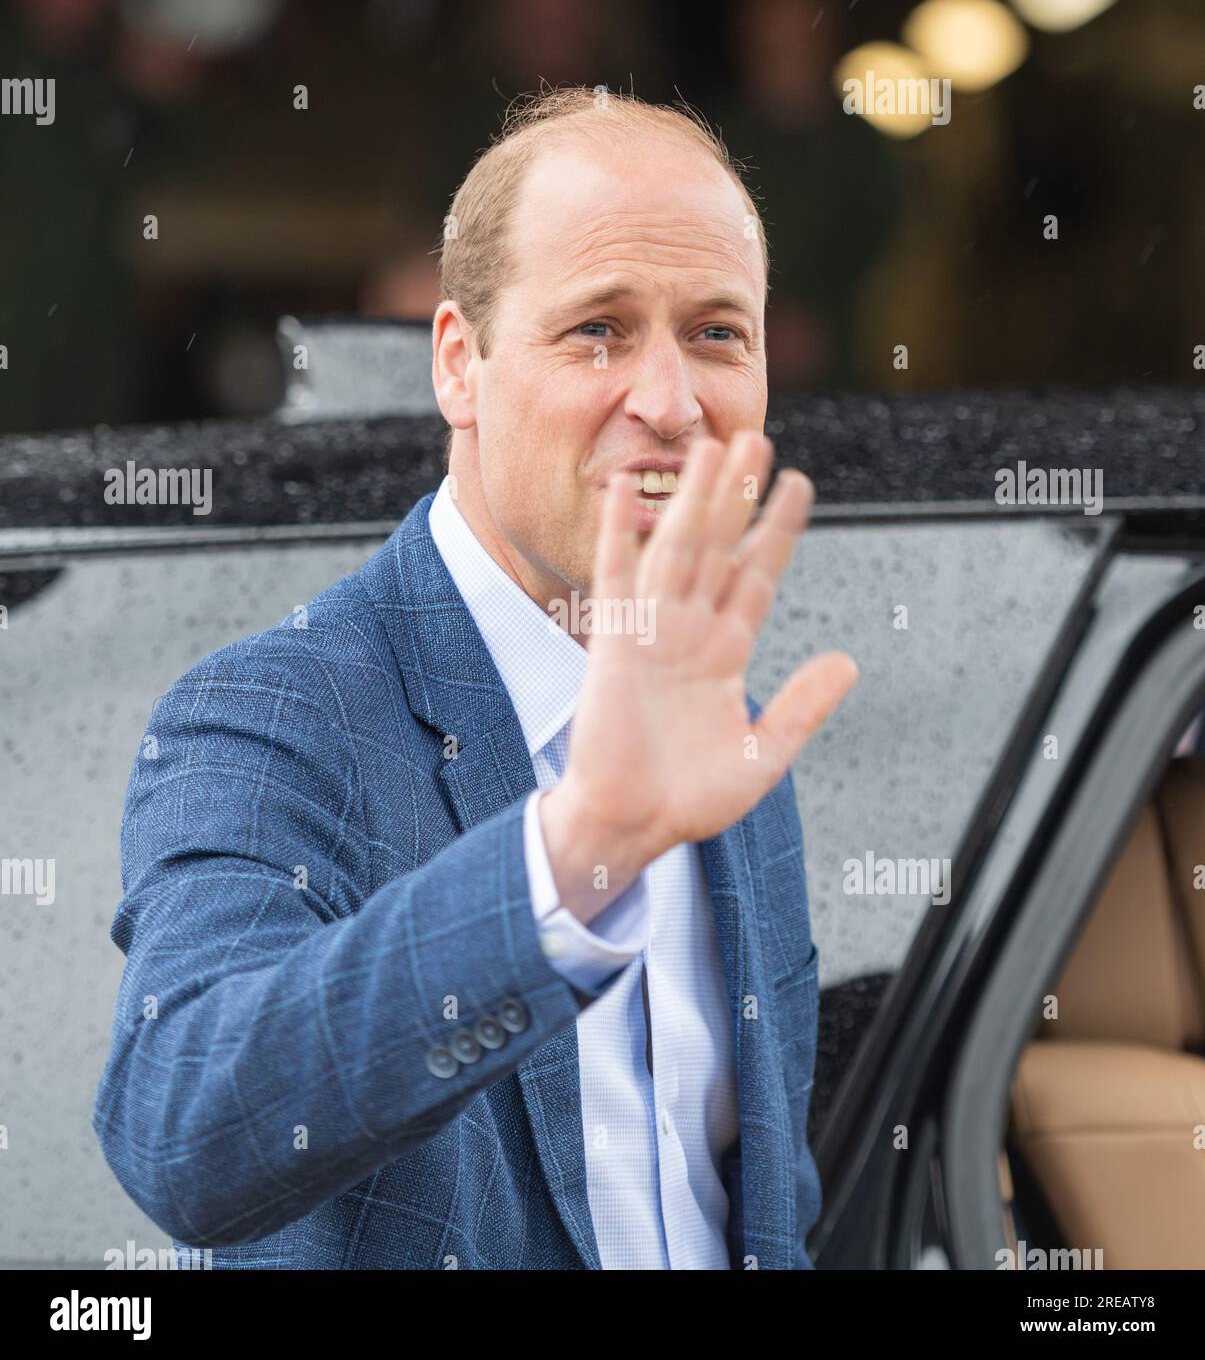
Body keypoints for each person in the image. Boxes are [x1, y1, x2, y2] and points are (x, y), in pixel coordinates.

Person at [92, 84, 858, 1270]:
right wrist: (573, 852)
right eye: (596, 328)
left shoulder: (736, 750)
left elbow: (759, 1215)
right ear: (458, 364)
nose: (668, 401)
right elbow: (183, 1127)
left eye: (716, 333)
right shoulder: (276, 713)